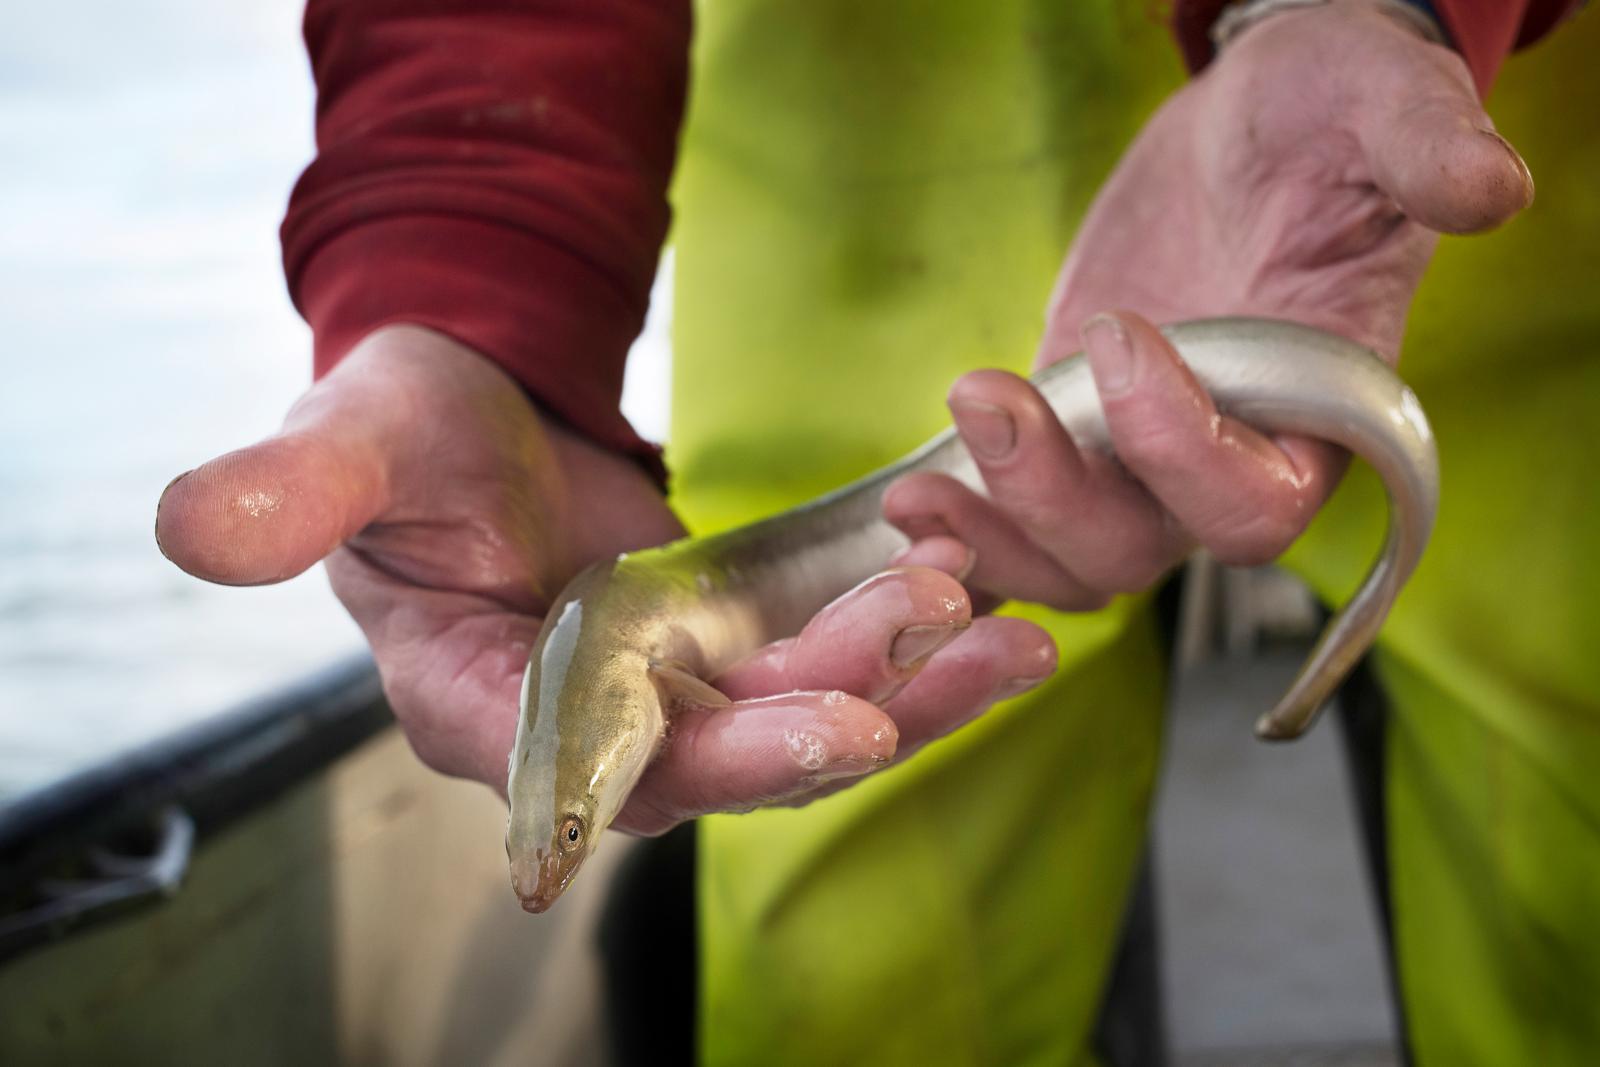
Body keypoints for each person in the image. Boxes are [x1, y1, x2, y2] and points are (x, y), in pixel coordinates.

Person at [156, 0, 1595, 1062]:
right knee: (859, 947)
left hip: (1466, 107)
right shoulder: (611, 677)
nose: (556, 862)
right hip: (853, 170)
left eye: (572, 822)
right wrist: (475, 296)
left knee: (1566, 859)